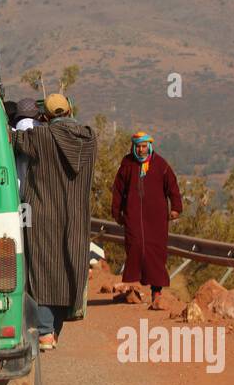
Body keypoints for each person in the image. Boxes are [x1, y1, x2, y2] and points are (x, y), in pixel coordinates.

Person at [13, 93, 97, 349]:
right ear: (70, 110)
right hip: (76, 215)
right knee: (68, 268)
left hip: (42, 214)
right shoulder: (90, 139)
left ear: (45, 116)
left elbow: (12, 139)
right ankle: (55, 328)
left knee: (41, 270)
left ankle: (46, 331)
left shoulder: (40, 137)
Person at [110, 131, 182, 309]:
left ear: (149, 146)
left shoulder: (160, 164)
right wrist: (116, 212)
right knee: (134, 248)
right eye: (138, 146)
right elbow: (118, 190)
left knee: (155, 253)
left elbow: (172, 186)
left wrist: (176, 208)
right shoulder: (127, 164)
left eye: (144, 146)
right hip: (133, 215)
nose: (141, 150)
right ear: (134, 147)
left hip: (156, 217)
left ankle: (156, 292)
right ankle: (133, 288)